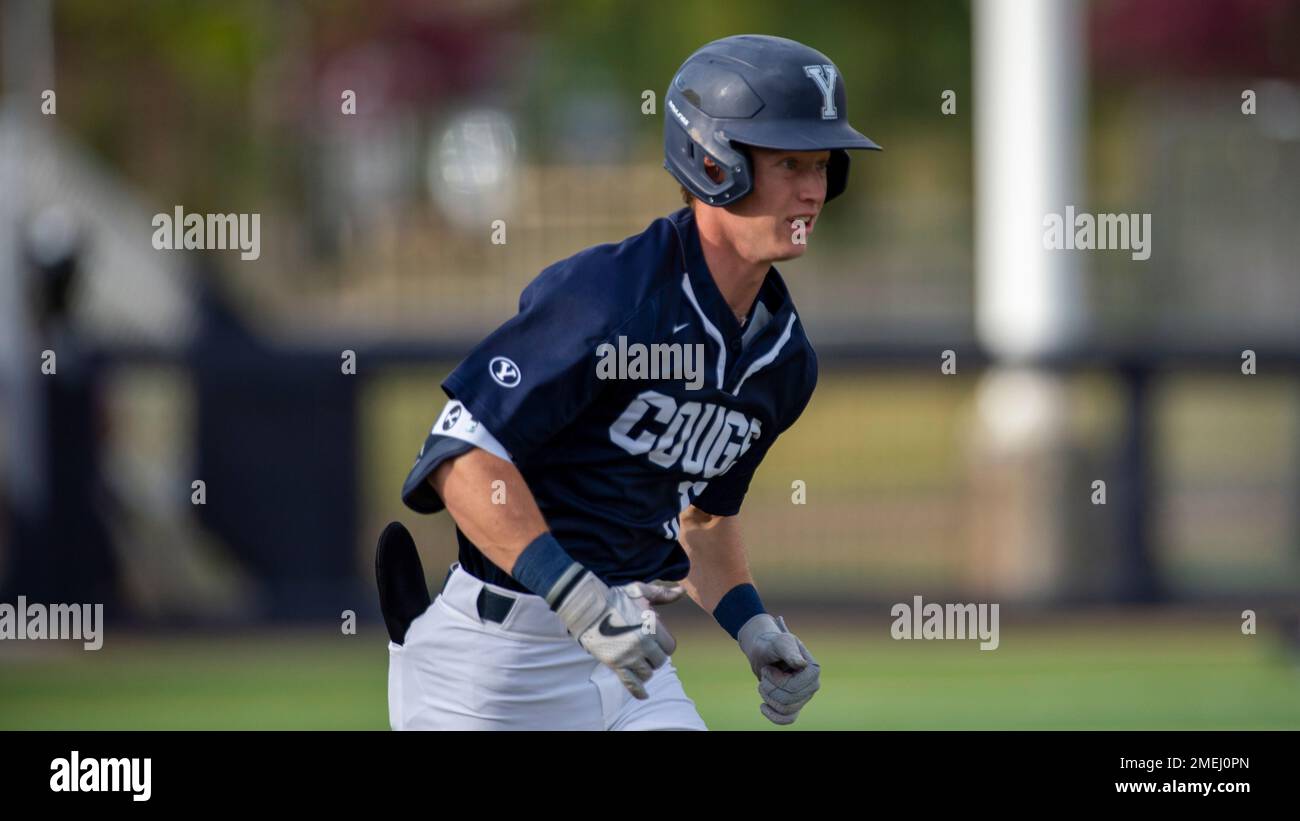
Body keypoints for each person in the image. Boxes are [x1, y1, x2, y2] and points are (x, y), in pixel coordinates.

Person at [384, 33, 880, 730]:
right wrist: (579, 597)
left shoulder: (785, 359)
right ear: (714, 162)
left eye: (823, 165)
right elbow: (460, 461)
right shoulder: (609, 296)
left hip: (629, 665)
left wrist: (750, 623)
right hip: (487, 669)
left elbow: (702, 517)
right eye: (788, 161)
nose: (812, 189)